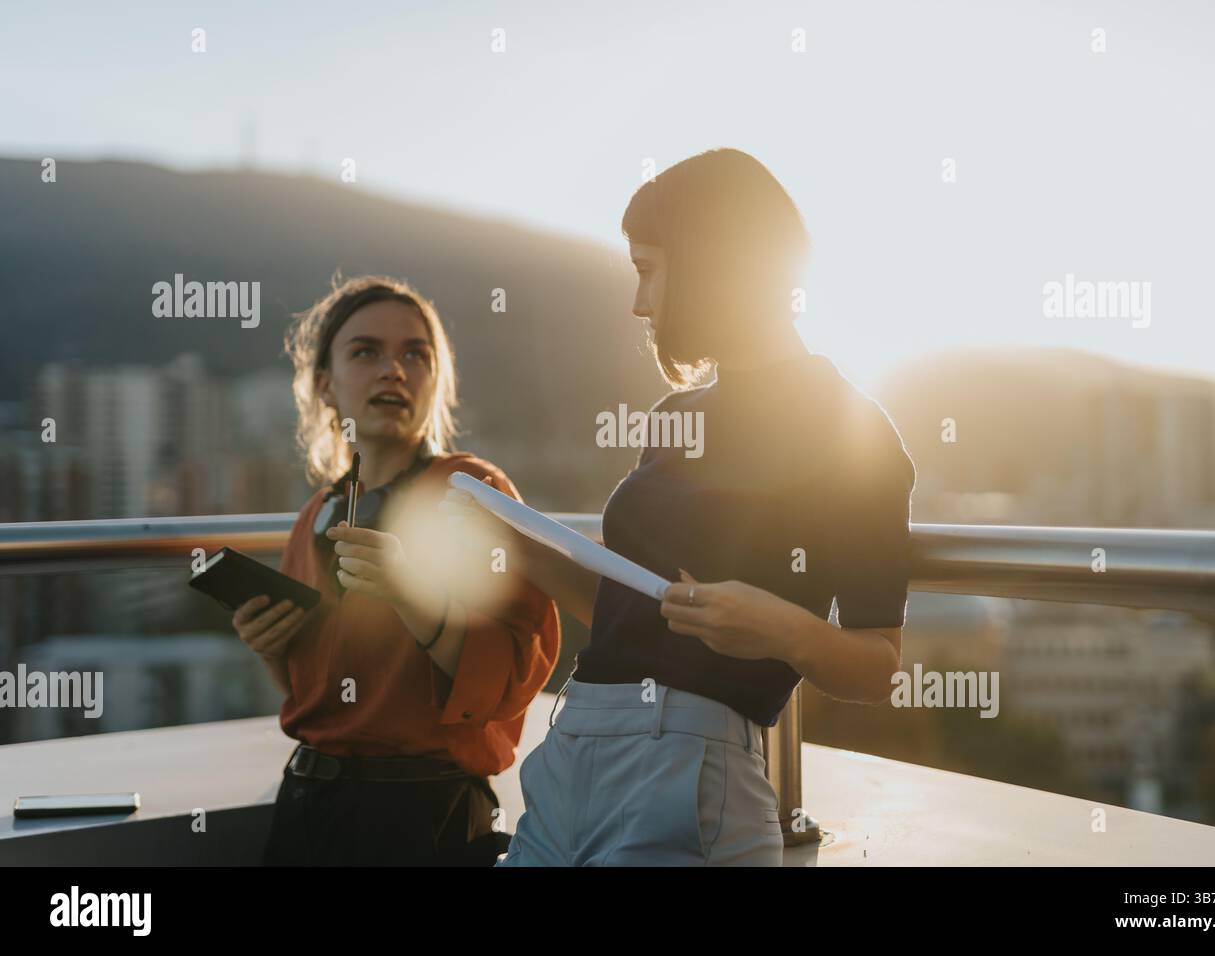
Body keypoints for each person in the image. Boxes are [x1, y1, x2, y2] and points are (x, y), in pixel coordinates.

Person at [448, 148, 916, 866]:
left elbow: (879, 667)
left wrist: (779, 628)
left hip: (689, 770)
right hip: (574, 749)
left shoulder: (849, 430)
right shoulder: (675, 415)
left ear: (714, 264)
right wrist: (515, 546)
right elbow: (624, 611)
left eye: (648, 269)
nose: (640, 303)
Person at [233, 274, 561, 866]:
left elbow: (516, 673)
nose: (395, 370)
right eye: (366, 352)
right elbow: (318, 698)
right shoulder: (319, 511)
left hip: (425, 814)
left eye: (417, 354)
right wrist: (269, 647)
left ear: (437, 382)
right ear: (325, 385)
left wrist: (414, 597)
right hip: (307, 802)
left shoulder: (473, 493)